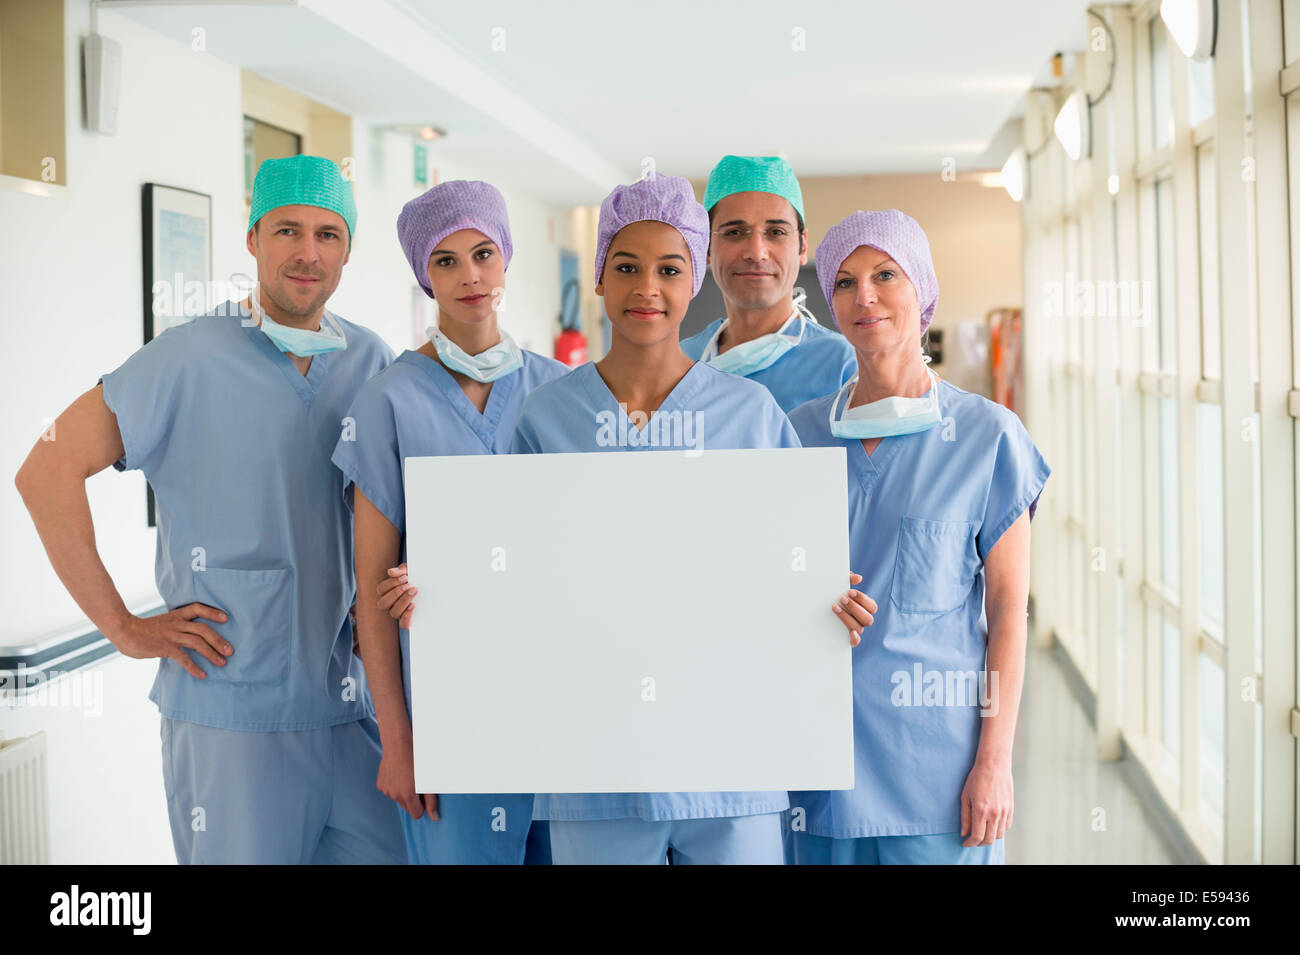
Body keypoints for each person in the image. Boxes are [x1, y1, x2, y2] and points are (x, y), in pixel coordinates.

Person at [14, 155, 406, 864]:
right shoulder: (186, 359)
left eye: (328, 233)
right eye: (288, 230)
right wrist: (124, 628)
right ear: (253, 238)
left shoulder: (373, 360)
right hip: (232, 720)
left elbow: (406, 502)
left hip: (354, 710)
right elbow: (45, 470)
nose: (308, 252)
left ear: (348, 249)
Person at [485, 174, 871, 865]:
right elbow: (517, 574)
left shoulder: (749, 415)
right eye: (626, 268)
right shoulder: (547, 417)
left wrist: (822, 591)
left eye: (669, 269)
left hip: (731, 756)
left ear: (695, 281)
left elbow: (790, 561)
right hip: (594, 759)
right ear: (598, 279)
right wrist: (446, 586)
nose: (647, 289)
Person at [784, 210, 1050, 864]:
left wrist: (995, 762)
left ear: (922, 289)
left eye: (885, 274)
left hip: (938, 779)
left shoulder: (987, 436)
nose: (863, 296)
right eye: (843, 282)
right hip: (815, 773)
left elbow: (1008, 610)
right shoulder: (796, 434)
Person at [332, 180, 566, 864]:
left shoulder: (561, 390)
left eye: (484, 253)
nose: (470, 275)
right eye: (446, 260)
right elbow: (372, 595)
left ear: (506, 260)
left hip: (557, 709)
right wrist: (399, 745)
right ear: (424, 277)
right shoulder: (388, 400)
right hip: (448, 723)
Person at [679, 155, 855, 411]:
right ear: (706, 245)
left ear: (802, 245)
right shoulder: (681, 362)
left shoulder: (842, 365)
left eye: (776, 232)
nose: (756, 252)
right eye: (734, 232)